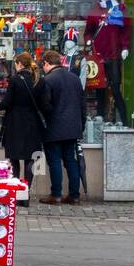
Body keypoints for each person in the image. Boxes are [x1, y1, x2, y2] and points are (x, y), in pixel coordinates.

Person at [0, 53, 45, 195]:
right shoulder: (39, 80)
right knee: (29, 159)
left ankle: (15, 191)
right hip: (33, 124)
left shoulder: (15, 80)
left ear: (19, 63)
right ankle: (25, 193)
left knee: (14, 158)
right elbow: (44, 104)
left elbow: (6, 103)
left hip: (15, 124)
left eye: (15, 63)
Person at [36, 49, 85, 205]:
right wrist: (81, 125)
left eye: (42, 65)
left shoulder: (48, 80)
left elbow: (45, 105)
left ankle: (56, 194)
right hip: (72, 127)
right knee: (70, 160)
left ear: (47, 63)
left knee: (55, 161)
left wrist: (45, 119)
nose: (42, 68)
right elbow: (82, 105)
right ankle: (74, 195)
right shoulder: (75, 79)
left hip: (53, 127)